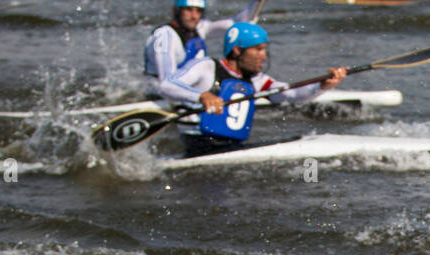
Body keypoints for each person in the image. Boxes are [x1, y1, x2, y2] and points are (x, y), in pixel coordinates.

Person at [157, 22, 347, 157]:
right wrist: (202, 96)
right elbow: (167, 85)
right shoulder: (206, 67)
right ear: (237, 50)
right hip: (197, 148)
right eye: (257, 49)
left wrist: (323, 85)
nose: (263, 56)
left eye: (264, 49)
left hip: (231, 147)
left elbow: (291, 95)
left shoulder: (257, 80)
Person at [143, 1, 262, 97]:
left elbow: (238, 23)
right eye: (188, 10)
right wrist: (202, 97)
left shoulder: (200, 28)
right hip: (160, 94)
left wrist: (257, 2)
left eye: (198, 11)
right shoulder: (165, 36)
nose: (194, 16)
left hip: (188, 91)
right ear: (176, 11)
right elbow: (166, 82)